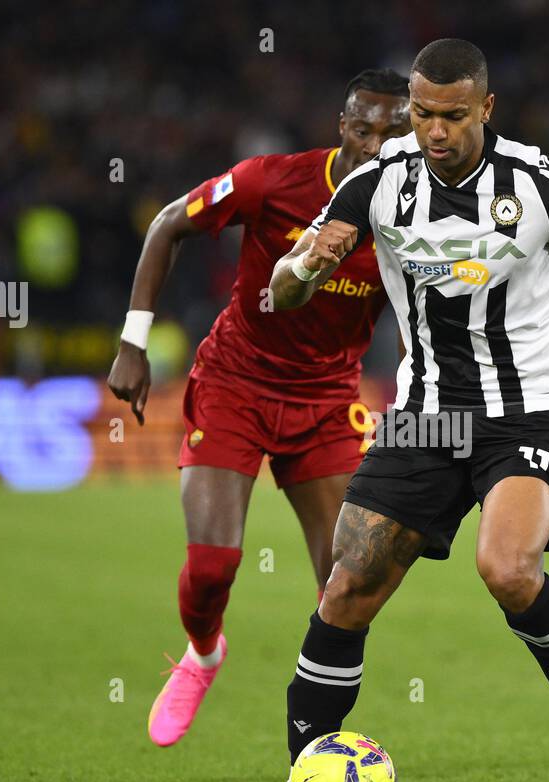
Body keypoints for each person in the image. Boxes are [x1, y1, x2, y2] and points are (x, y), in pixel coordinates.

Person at [229, 39, 549, 782]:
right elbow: (282, 292)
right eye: (422, 114)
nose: (434, 131)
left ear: (485, 109)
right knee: (346, 586)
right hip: (427, 414)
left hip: (531, 408)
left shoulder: (538, 184)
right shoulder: (375, 184)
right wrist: (306, 267)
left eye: (453, 116)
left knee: (507, 568)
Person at [106, 70, 411, 747]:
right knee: (214, 565)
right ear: (342, 127)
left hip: (329, 400)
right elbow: (166, 225)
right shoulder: (272, 181)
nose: (375, 144)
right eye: (362, 129)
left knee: (345, 585)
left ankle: (315, 743)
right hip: (235, 383)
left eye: (393, 132)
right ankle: (204, 653)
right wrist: (133, 340)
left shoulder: (417, 217)